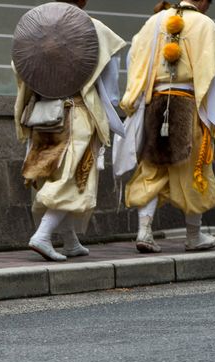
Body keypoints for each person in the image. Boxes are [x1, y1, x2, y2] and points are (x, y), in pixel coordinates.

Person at [15, 0, 127, 262]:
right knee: (75, 177)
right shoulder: (96, 29)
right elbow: (110, 82)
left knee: (49, 172)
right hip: (77, 112)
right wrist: (107, 109)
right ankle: (42, 235)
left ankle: (70, 241)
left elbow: (22, 70)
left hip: (43, 113)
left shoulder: (34, 28)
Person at [119, 0, 215, 254]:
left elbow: (133, 57)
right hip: (188, 105)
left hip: (155, 104)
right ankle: (194, 235)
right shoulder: (205, 24)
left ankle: (144, 231)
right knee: (195, 170)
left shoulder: (154, 22)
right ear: (202, 1)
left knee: (151, 169)